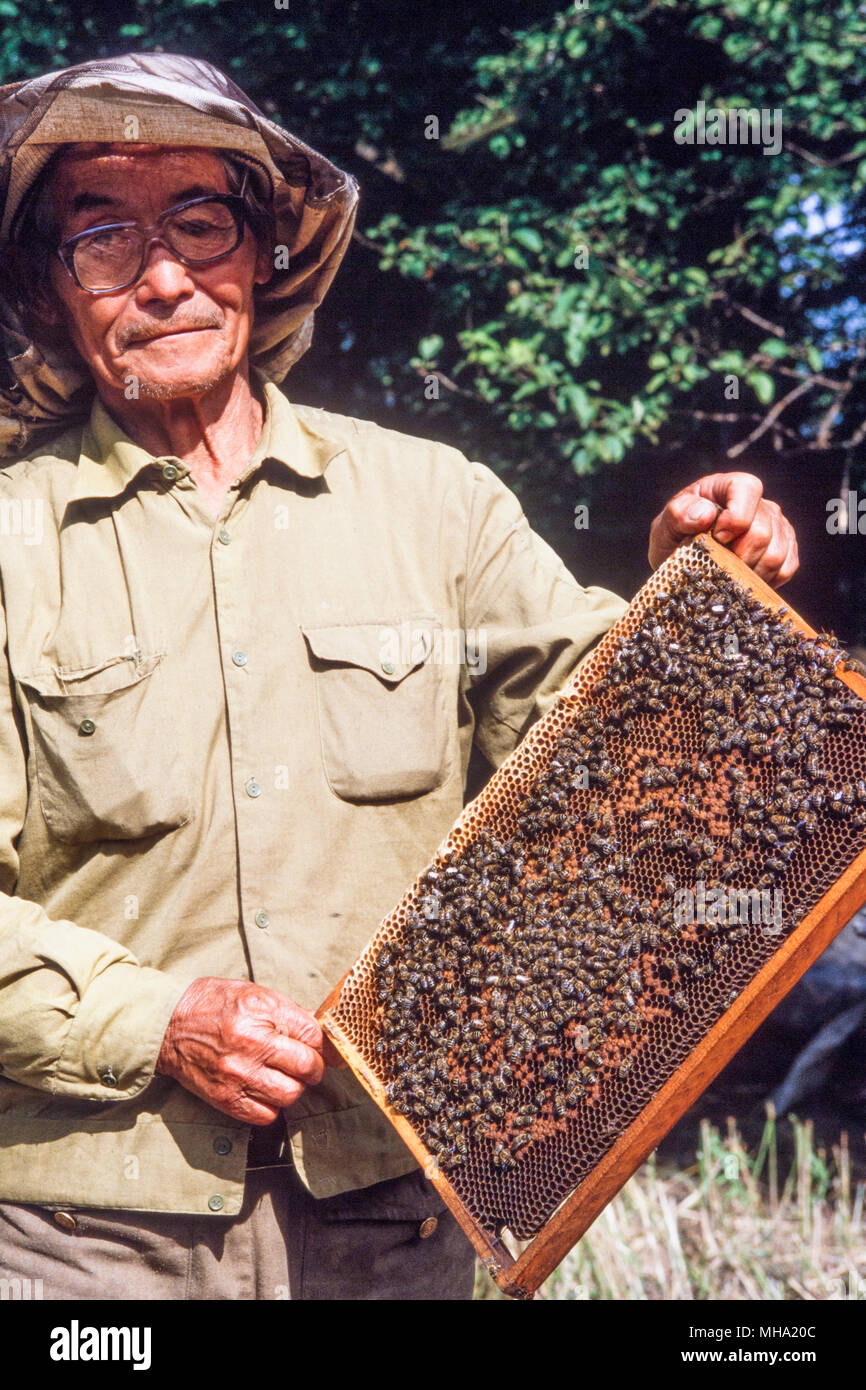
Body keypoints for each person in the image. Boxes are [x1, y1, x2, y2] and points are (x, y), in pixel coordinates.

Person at [0, 53, 798, 1301]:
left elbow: (605, 765)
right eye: (101, 238)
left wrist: (691, 591)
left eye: (199, 224)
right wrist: (154, 1021)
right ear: (51, 294)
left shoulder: (436, 501)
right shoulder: (10, 538)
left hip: (392, 1222)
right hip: (89, 1238)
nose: (161, 276)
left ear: (262, 254)